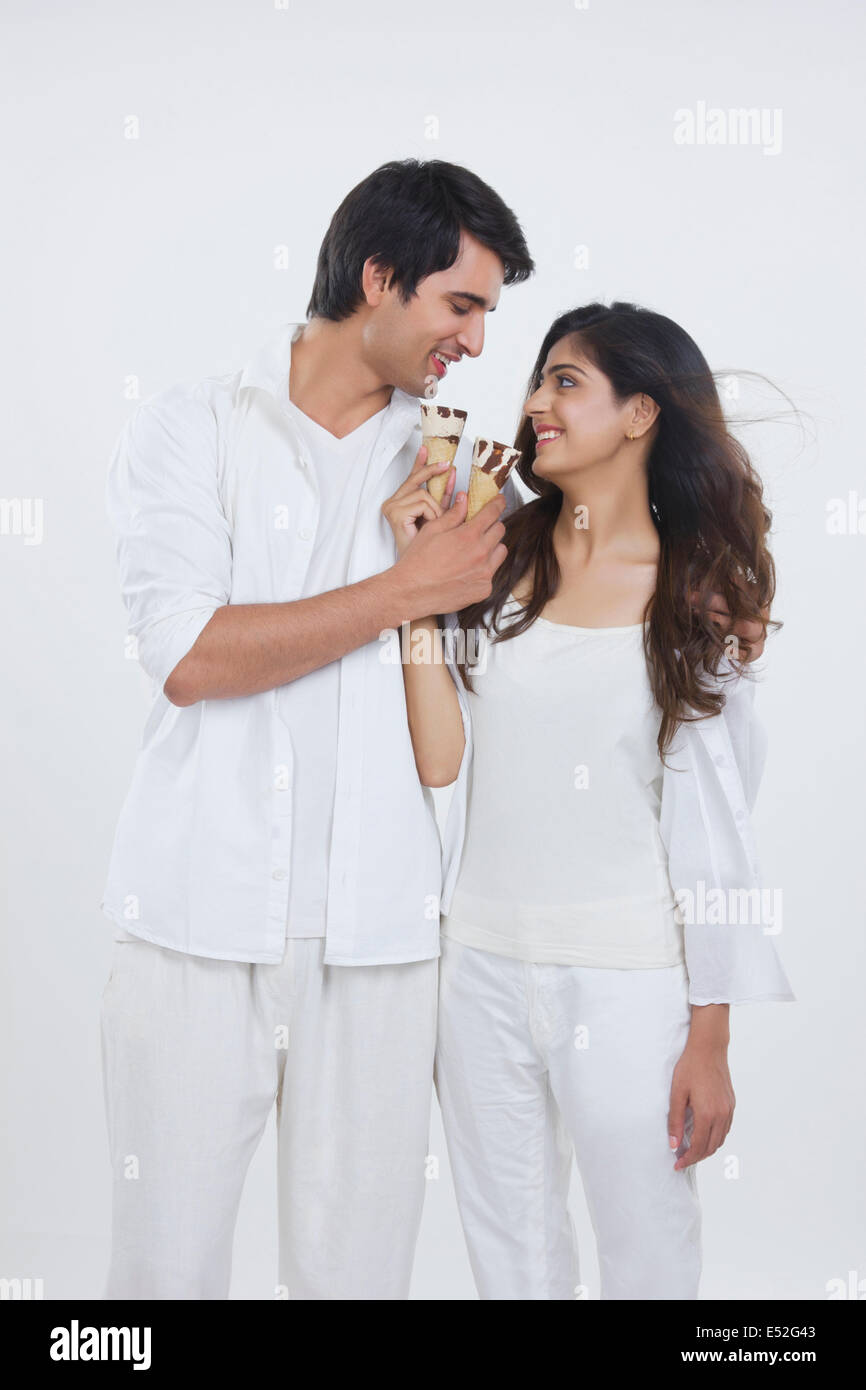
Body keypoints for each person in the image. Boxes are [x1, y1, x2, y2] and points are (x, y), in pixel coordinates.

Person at [98, 158, 535, 1300]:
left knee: (357, 1283)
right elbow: (192, 658)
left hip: (381, 940)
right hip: (195, 922)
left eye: (489, 312)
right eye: (461, 304)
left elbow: (468, 715)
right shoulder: (190, 426)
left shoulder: (453, 477)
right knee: (162, 1272)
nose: (478, 344)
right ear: (379, 278)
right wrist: (404, 587)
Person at [382, 301, 795, 1300]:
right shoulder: (495, 560)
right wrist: (413, 586)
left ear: (641, 412)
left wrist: (710, 1037)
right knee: (509, 1262)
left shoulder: (693, 598)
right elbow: (439, 758)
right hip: (475, 968)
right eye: (537, 379)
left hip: (624, 983)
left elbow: (714, 837)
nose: (533, 404)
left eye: (564, 381)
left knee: (647, 1258)